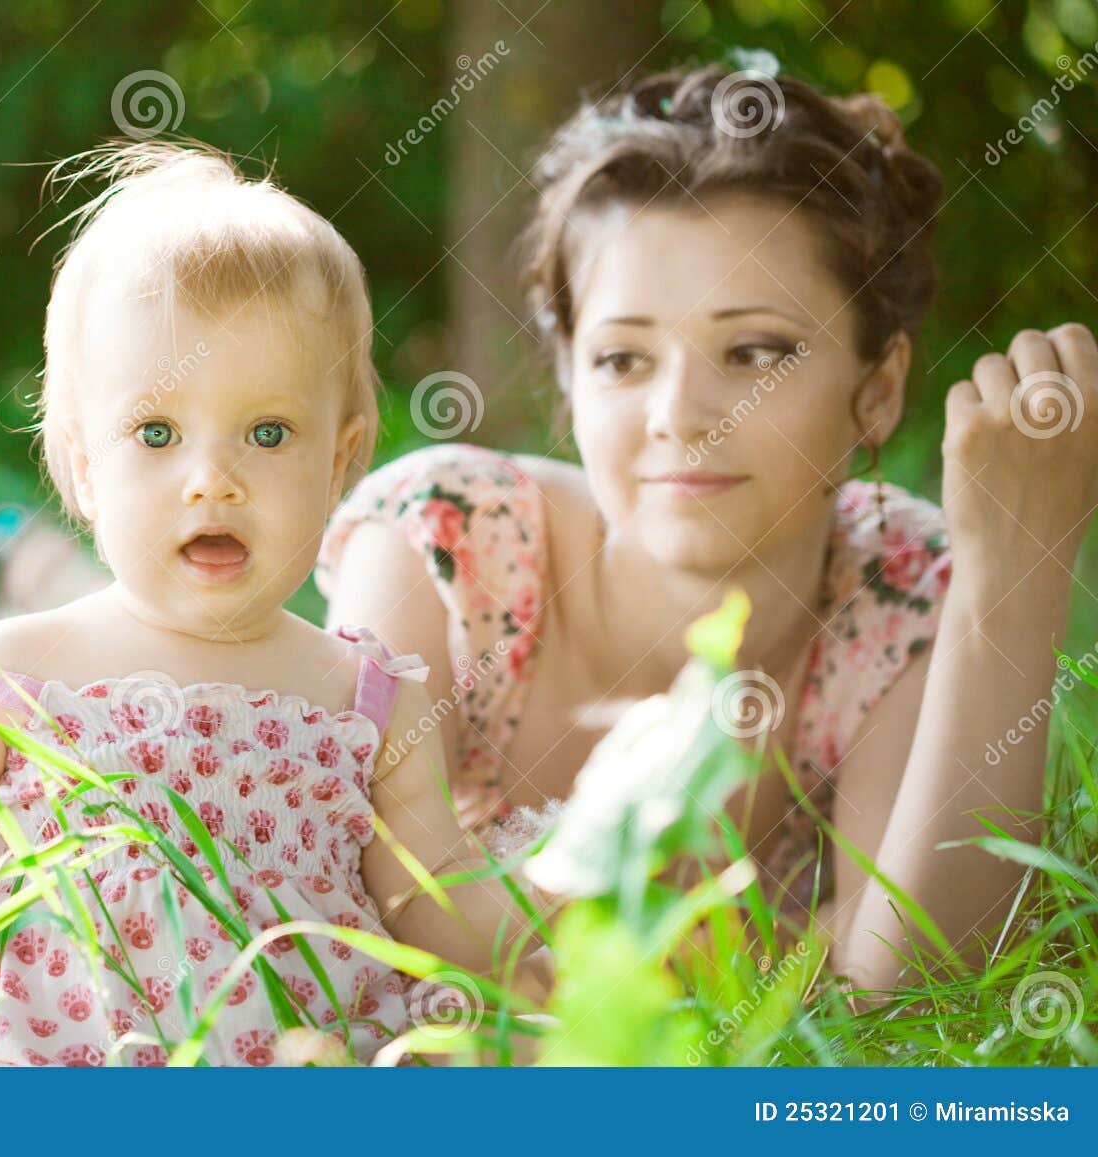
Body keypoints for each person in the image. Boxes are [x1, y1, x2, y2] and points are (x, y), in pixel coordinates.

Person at [317, 66, 1098, 997]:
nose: (681, 413)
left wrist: (1013, 569)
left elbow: (916, 988)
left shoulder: (902, 591)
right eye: (622, 358)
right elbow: (313, 919)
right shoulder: (441, 548)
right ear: (571, 382)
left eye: (754, 351)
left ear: (878, 390)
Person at [0, 139, 542, 1067]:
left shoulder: (366, 700)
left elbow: (426, 901)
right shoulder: (17, 672)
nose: (211, 478)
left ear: (339, 460)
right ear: (88, 467)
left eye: (267, 431)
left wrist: (532, 932)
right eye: (156, 431)